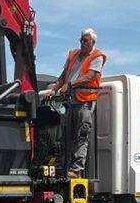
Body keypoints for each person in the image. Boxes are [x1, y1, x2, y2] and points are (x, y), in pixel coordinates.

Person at [41, 28, 106, 176]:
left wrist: (69, 85)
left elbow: (90, 76)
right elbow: (64, 75)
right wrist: (54, 90)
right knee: (67, 137)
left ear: (93, 42)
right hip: (71, 102)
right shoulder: (73, 54)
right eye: (81, 39)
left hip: (85, 103)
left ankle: (75, 169)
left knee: (81, 135)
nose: (82, 42)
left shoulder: (97, 56)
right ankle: (62, 168)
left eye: (85, 40)